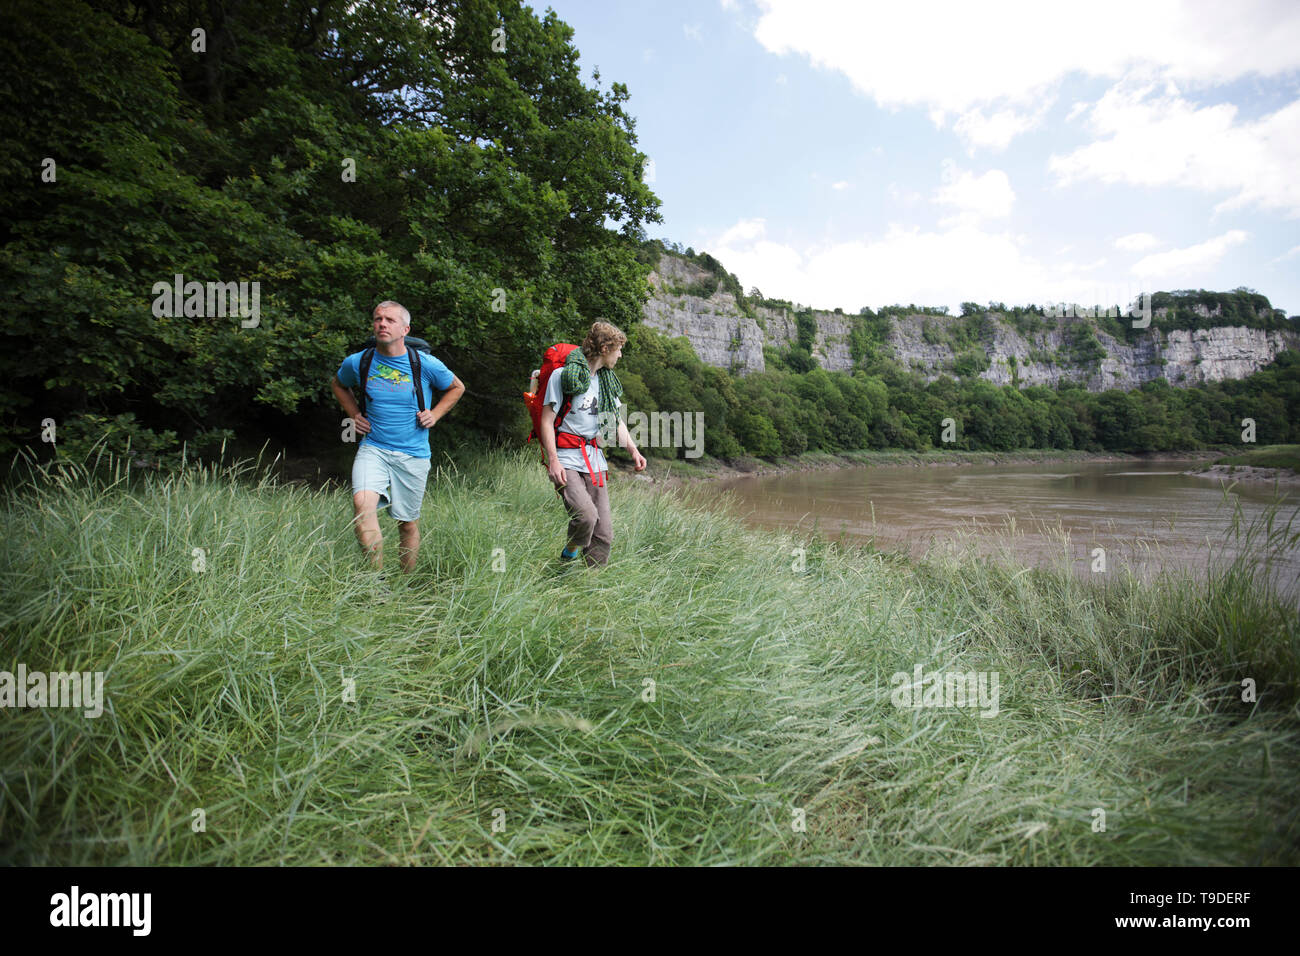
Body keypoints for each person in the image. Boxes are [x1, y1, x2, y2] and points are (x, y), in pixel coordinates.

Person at [330, 301, 465, 573]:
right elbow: (338, 384)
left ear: (405, 329)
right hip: (374, 448)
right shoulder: (359, 362)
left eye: (390, 320)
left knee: (407, 523)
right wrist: (354, 413)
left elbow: (456, 387)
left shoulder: (424, 364)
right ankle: (375, 583)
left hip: (413, 454)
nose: (382, 323)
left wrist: (435, 414)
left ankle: (404, 583)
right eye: (378, 319)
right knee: (362, 506)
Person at [538, 321, 646, 567]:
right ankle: (569, 556)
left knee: (604, 532)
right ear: (606, 348)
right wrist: (552, 460)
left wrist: (633, 450)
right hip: (565, 456)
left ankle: (591, 584)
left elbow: (615, 421)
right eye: (618, 349)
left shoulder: (607, 381)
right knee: (586, 517)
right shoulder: (563, 376)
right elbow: (546, 421)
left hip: (593, 457)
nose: (620, 355)